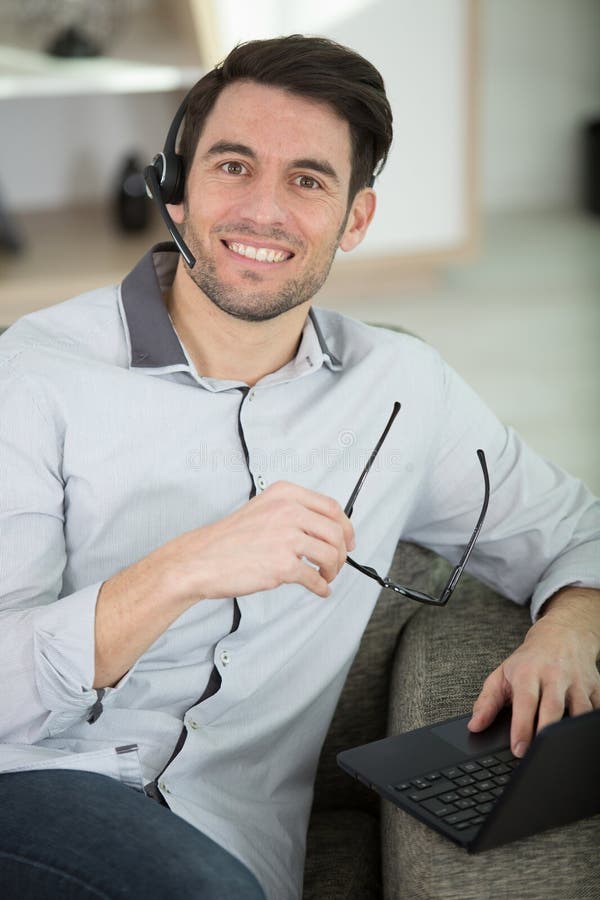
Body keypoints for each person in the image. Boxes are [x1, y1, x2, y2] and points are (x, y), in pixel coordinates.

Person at [0, 34, 598, 900]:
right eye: (233, 166)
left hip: (227, 851)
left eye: (308, 180)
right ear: (177, 183)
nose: (262, 212)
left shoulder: (403, 389)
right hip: (31, 793)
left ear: (355, 218)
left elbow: (572, 531)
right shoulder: (35, 372)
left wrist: (571, 629)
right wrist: (180, 569)